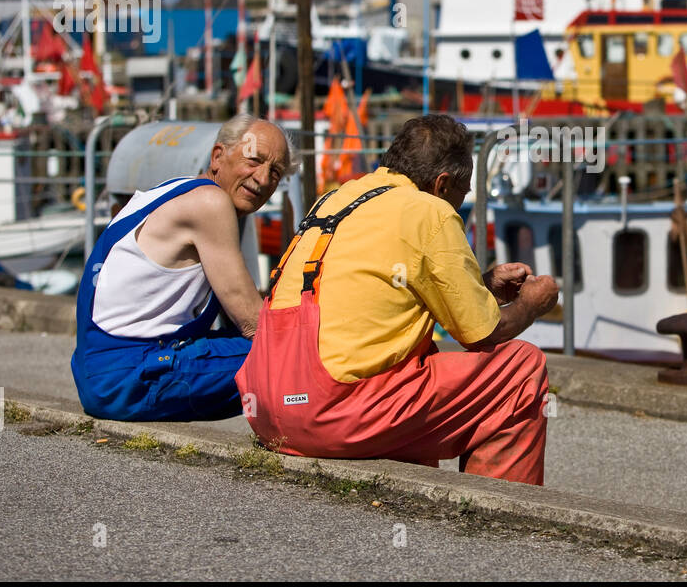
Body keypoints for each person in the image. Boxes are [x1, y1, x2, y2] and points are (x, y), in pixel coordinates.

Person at [237, 114, 560, 485]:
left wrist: (481, 286)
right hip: (330, 414)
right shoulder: (429, 211)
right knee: (520, 369)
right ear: (441, 184)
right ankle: (502, 509)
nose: (460, 204)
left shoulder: (334, 199)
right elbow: (483, 333)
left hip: (270, 407)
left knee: (409, 358)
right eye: (463, 192)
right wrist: (534, 301)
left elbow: (378, 295)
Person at [71, 115, 294, 421]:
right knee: (287, 357)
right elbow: (253, 323)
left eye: (276, 172)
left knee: (279, 347)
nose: (263, 179)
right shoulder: (210, 203)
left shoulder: (176, 188)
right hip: (126, 376)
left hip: (98, 372)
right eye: (254, 160)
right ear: (218, 157)